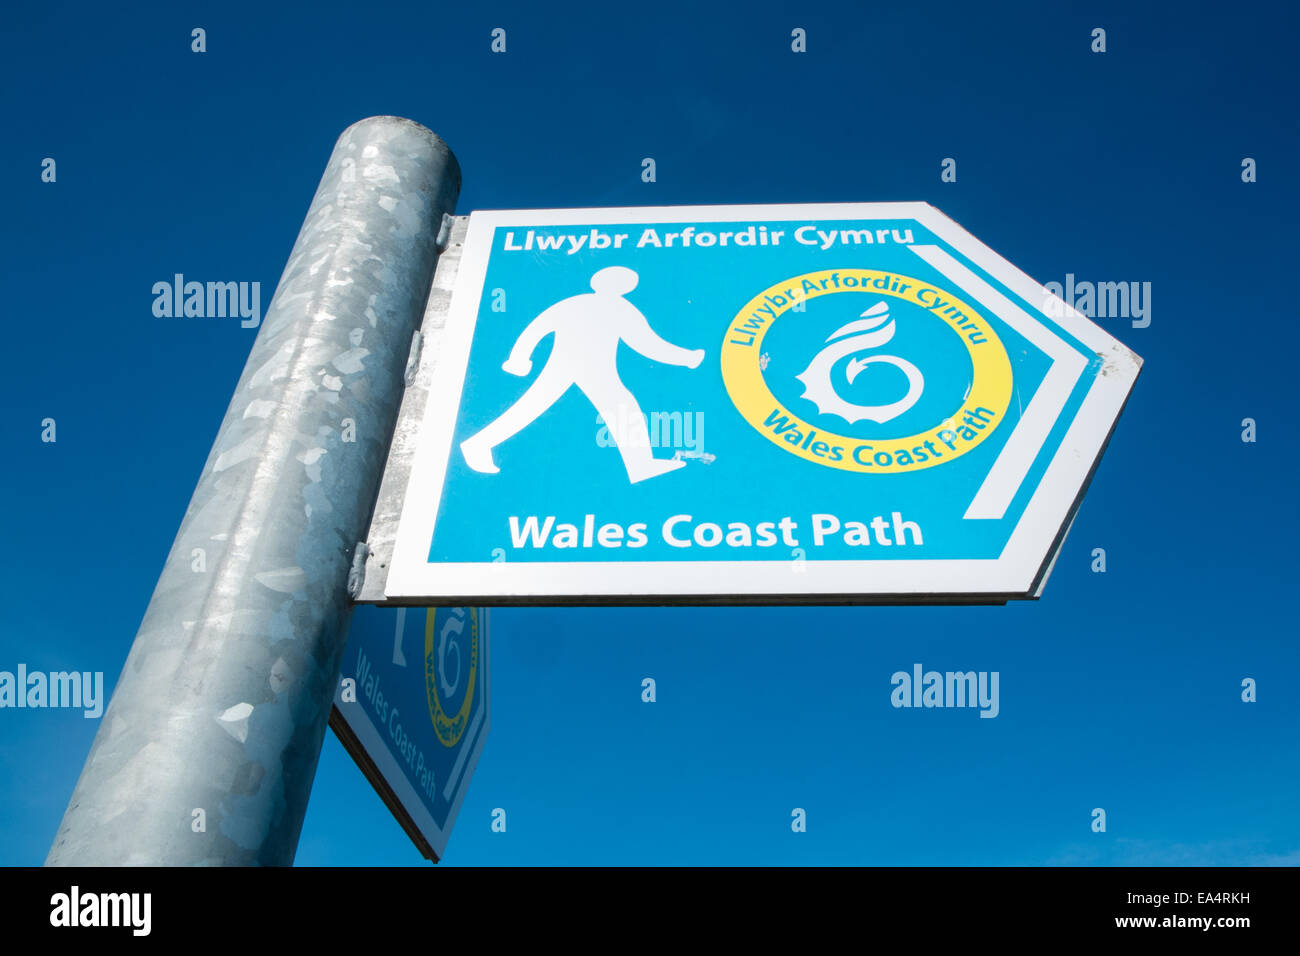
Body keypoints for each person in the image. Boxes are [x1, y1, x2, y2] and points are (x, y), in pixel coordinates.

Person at [460, 266, 704, 483]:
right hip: (577, 367)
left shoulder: (582, 304)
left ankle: (641, 464)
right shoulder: (617, 308)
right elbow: (647, 344)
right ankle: (477, 445)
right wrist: (688, 358)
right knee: (535, 407)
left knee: (619, 406)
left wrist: (519, 359)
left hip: (589, 369)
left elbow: (537, 329)